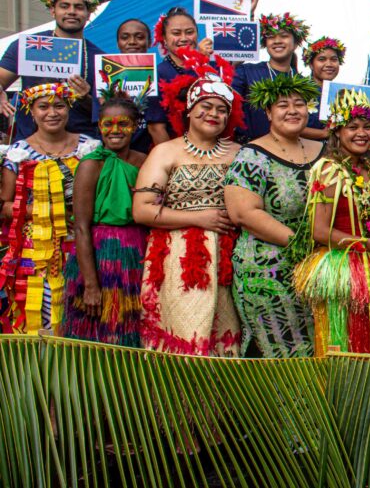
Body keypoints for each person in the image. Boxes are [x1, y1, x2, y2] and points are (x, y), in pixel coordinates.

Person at [134, 54, 243, 356]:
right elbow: (142, 209)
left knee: (225, 337)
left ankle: (219, 403)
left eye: (221, 110)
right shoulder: (165, 152)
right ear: (189, 111)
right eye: (205, 107)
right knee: (183, 335)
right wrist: (198, 218)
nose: (213, 114)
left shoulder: (240, 153)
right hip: (176, 256)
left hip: (229, 257)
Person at [293, 90, 370, 356]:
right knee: (342, 341)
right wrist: (367, 244)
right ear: (337, 132)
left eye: (367, 127)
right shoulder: (328, 170)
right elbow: (319, 231)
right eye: (352, 127)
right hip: (341, 267)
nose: (361, 133)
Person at [226, 73, 325, 358]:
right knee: (282, 358)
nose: (292, 110)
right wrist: (304, 247)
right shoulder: (252, 155)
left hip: (321, 272)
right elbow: (243, 213)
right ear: (268, 112)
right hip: (269, 273)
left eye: (299, 104)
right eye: (282, 105)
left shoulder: (325, 151)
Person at [0, 82, 99, 334]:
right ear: (31, 112)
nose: (52, 113)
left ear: (68, 109)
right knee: (40, 316)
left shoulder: (90, 147)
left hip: (82, 244)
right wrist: (45, 209)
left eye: (59, 106)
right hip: (37, 252)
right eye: (43, 107)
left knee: (80, 314)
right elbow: (4, 206)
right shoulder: (18, 152)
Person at [61, 93, 148, 346]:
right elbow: (81, 227)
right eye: (107, 124)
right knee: (98, 328)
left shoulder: (144, 161)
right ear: (99, 126)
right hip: (100, 256)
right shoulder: (91, 165)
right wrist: (90, 285)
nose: (115, 130)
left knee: (133, 325)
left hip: (137, 249)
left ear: (135, 126)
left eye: (123, 124)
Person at [0, 0, 103, 142]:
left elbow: (106, 112)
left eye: (78, 7)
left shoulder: (99, 57)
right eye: (64, 6)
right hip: (31, 146)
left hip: (83, 149)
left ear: (88, 13)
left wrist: (85, 98)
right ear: (52, 10)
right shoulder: (29, 46)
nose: (71, 12)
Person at [233, 12, 310, 142]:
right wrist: (248, 13)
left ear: (296, 43)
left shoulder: (304, 83)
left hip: (290, 152)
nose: (277, 41)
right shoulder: (246, 72)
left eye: (284, 36)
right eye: (271, 37)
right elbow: (227, 101)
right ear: (264, 43)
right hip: (250, 150)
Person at [146, 7, 216, 145]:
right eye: (176, 33)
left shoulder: (212, 68)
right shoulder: (157, 74)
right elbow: (156, 128)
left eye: (189, 32)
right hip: (175, 150)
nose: (184, 38)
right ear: (164, 39)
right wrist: (173, 160)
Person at [111, 18, 155, 153]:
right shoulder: (105, 75)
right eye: (125, 37)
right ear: (118, 43)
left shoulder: (159, 75)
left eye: (139, 37)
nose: (132, 42)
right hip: (115, 152)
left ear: (150, 42)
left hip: (149, 153)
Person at [301, 36, 345, 140]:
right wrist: (324, 133)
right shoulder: (299, 91)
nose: (329, 64)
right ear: (311, 64)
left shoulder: (343, 94)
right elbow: (287, 126)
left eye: (334, 59)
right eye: (322, 59)